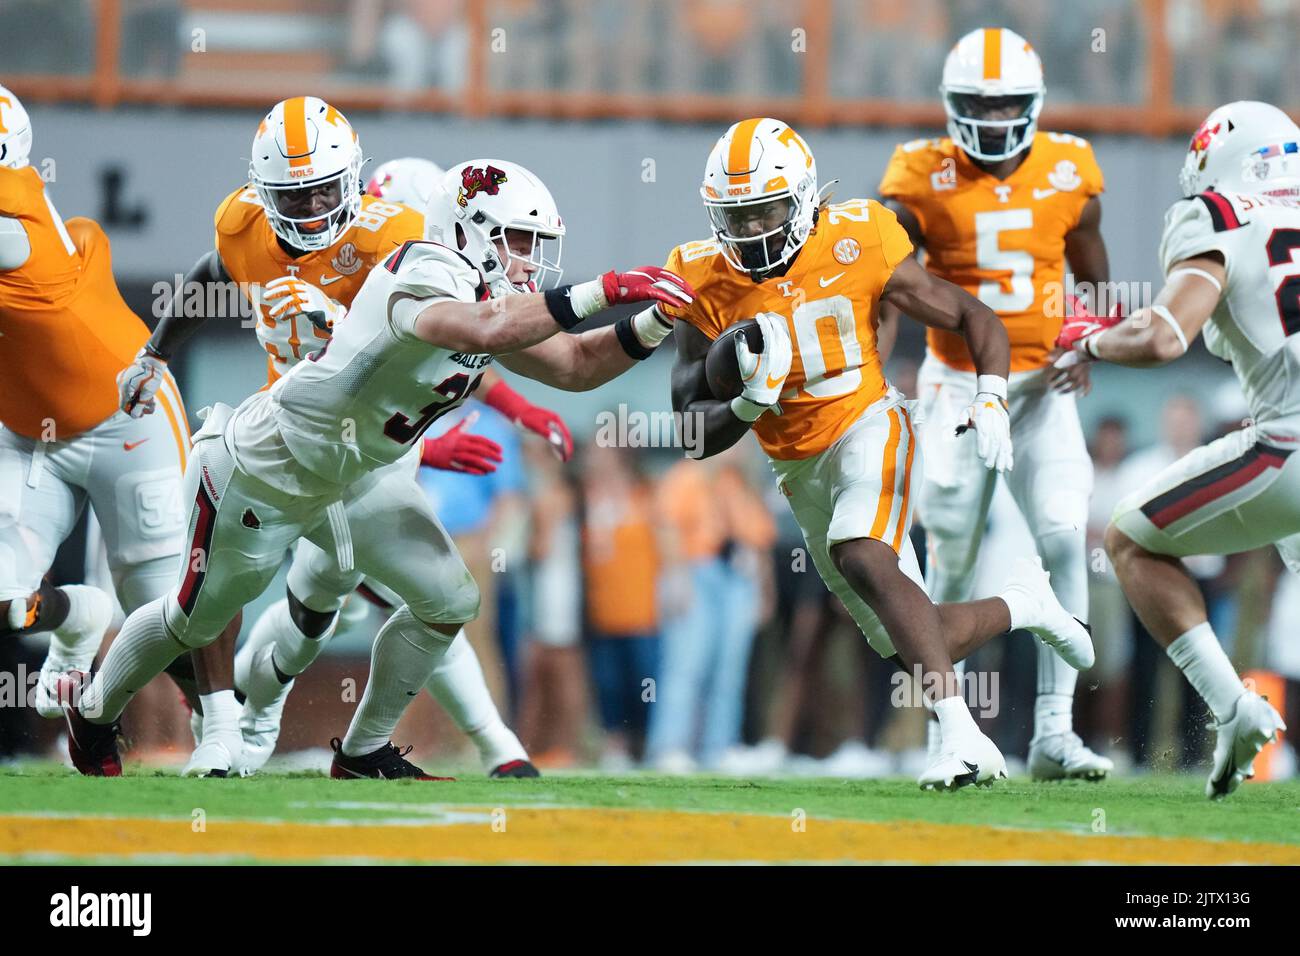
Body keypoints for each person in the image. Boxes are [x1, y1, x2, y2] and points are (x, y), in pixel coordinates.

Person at [65, 156, 695, 779]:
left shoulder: (492, 296)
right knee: (191, 617)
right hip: (268, 466)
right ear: (468, 230)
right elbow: (479, 330)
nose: (532, 259)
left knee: (449, 598)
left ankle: (363, 750)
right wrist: (605, 289)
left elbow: (577, 364)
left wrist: (654, 319)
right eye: (520, 240)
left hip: (358, 477)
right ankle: (93, 712)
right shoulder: (418, 269)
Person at [117, 106, 566, 777]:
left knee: (340, 612)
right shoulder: (260, 227)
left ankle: (468, 746)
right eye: (296, 193)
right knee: (232, 603)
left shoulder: (404, 248)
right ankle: (189, 714)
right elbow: (220, 269)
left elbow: (459, 353)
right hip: (287, 444)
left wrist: (507, 408)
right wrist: (155, 353)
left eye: (326, 189)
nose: (313, 206)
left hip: (365, 460)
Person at [663, 116, 1093, 789]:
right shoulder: (698, 272)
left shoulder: (858, 235)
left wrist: (990, 397)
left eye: (765, 213)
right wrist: (746, 404)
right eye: (736, 218)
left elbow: (976, 318)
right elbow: (690, 428)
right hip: (796, 466)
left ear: (804, 198)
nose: (751, 233)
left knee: (860, 550)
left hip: (872, 424)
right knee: (912, 640)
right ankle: (1025, 605)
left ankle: (964, 739)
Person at [876, 27, 1113, 781]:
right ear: (951, 106)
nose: (993, 116)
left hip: (1042, 387)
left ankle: (1053, 733)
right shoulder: (919, 174)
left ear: (1035, 103)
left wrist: (1095, 333)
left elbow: (1091, 259)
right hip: (953, 387)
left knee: (1065, 529)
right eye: (979, 103)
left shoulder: (1071, 165)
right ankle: (946, 731)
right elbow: (883, 272)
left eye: (1008, 102)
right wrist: (876, 372)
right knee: (946, 564)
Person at [1056, 100, 1299, 798]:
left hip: (1288, 442)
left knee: (1132, 543)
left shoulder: (1221, 213)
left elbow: (1166, 335)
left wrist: (1089, 341)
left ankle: (1234, 708)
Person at [0, 84, 183, 718]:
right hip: (26, 430)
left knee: (166, 616)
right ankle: (81, 619)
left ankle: (229, 729)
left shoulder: (13, 225)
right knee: (4, 598)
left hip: (122, 413)